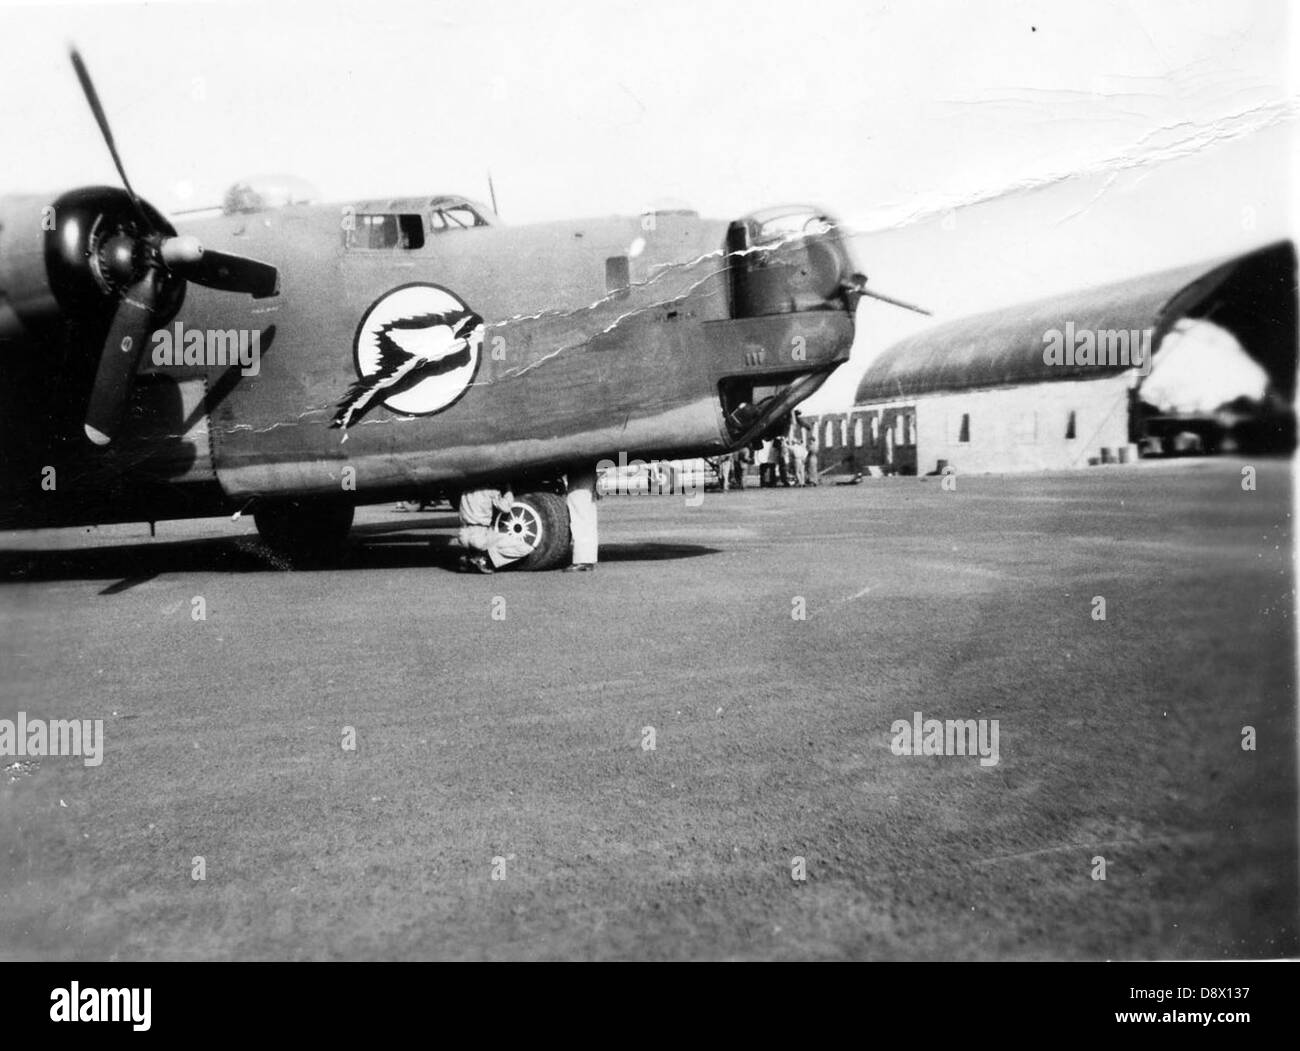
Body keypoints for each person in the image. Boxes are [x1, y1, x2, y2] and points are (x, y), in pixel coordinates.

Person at [457, 486, 532, 573]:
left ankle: (469, 557)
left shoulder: (465, 491)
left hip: (463, 534)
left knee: (482, 539)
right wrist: (508, 490)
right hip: (479, 535)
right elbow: (505, 508)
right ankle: (484, 560)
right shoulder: (491, 490)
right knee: (524, 548)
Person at [565, 465, 599, 572]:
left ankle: (583, 560)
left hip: (579, 473)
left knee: (579, 517)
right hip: (587, 471)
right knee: (587, 517)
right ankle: (588, 559)